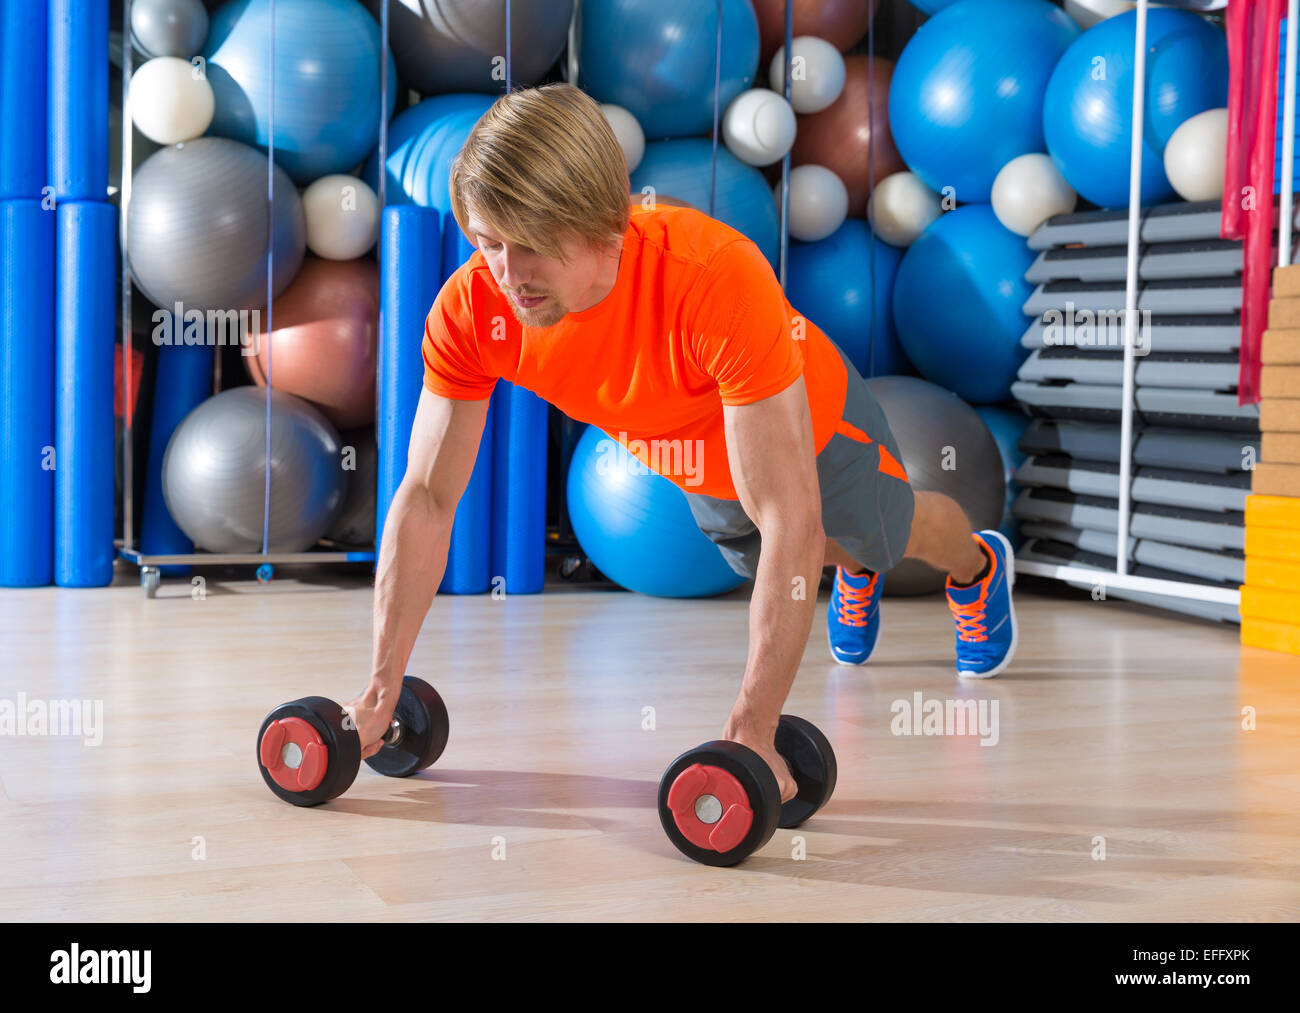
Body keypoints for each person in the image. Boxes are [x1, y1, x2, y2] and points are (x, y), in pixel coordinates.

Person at [345, 84, 1017, 804]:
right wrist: (379, 690)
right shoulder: (474, 308)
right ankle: (844, 563)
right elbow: (425, 496)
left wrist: (752, 732)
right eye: (487, 241)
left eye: (532, 246)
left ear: (604, 223)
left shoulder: (710, 277)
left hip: (812, 425)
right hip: (698, 461)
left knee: (870, 534)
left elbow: (792, 511)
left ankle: (977, 566)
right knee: (777, 551)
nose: (506, 275)